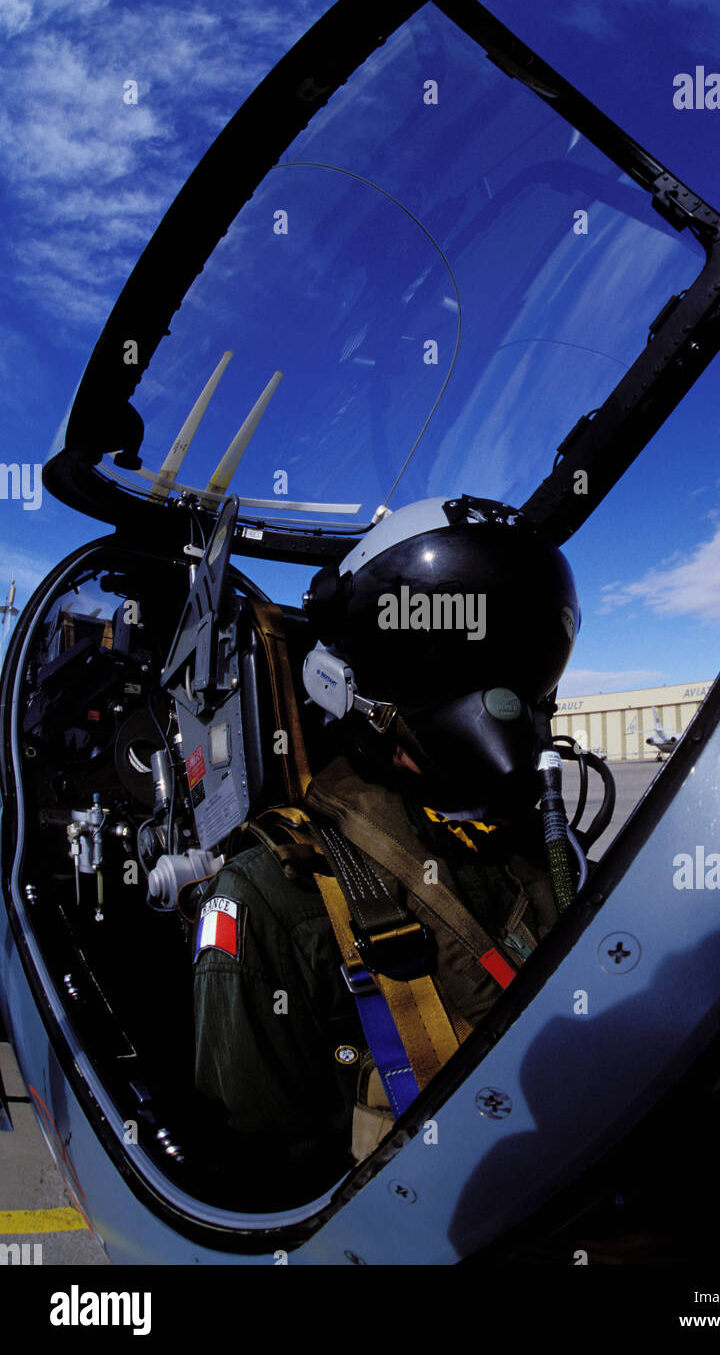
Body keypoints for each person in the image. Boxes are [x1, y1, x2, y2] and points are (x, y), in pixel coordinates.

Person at [192, 495, 580, 1205]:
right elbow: (265, 1178)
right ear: (342, 680)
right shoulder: (273, 897)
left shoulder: (549, 848)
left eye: (508, 661)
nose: (490, 705)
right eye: (436, 664)